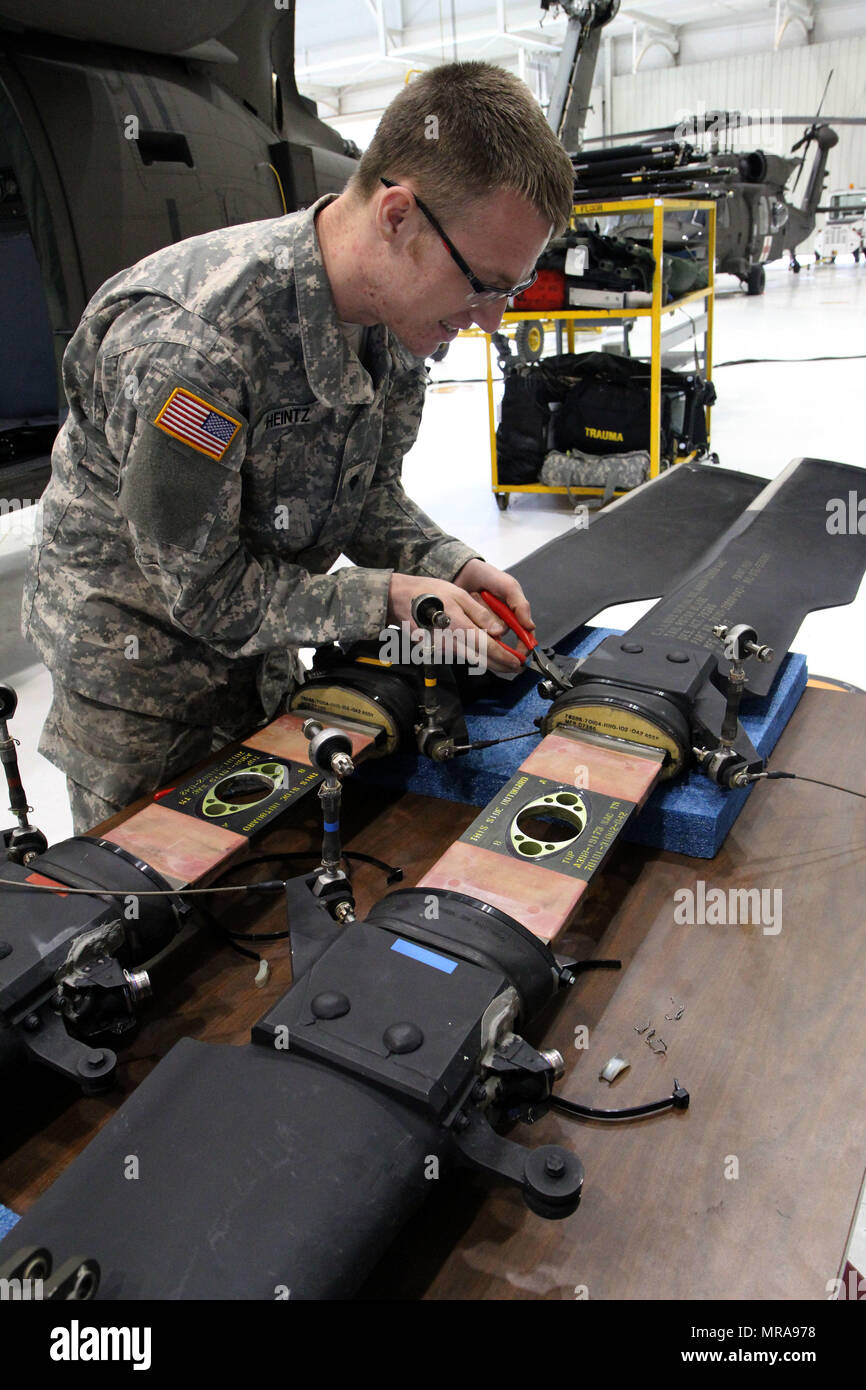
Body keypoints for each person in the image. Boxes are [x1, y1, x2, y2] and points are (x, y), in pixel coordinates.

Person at [23, 61, 574, 833]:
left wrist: (449, 563)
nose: (490, 321)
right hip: (142, 687)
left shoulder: (398, 325)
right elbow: (204, 594)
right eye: (484, 284)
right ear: (396, 217)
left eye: (508, 293)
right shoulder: (196, 349)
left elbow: (363, 495)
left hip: (264, 649)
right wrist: (389, 600)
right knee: (166, 921)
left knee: (284, 882)